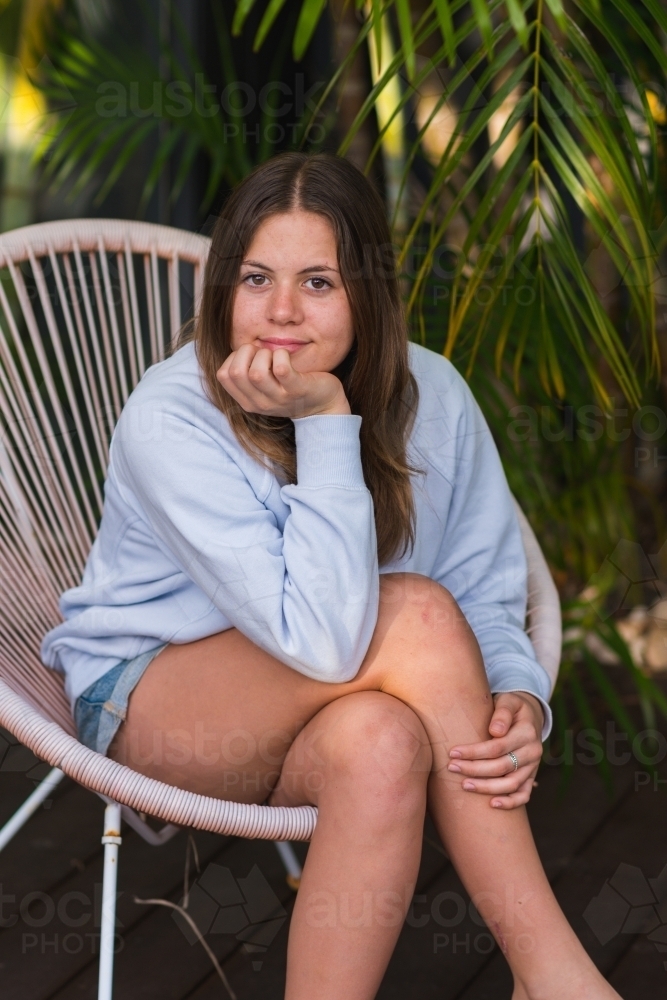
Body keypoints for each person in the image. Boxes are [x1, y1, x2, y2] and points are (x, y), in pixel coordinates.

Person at [41, 151, 621, 1000]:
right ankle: (555, 979)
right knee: (418, 618)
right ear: (222, 290)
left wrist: (512, 696)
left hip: (335, 701)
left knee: (383, 744)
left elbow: (484, 593)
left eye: (318, 282)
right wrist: (322, 421)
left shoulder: (435, 395)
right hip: (150, 697)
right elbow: (323, 639)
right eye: (254, 279)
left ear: (368, 293)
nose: (280, 313)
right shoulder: (172, 415)